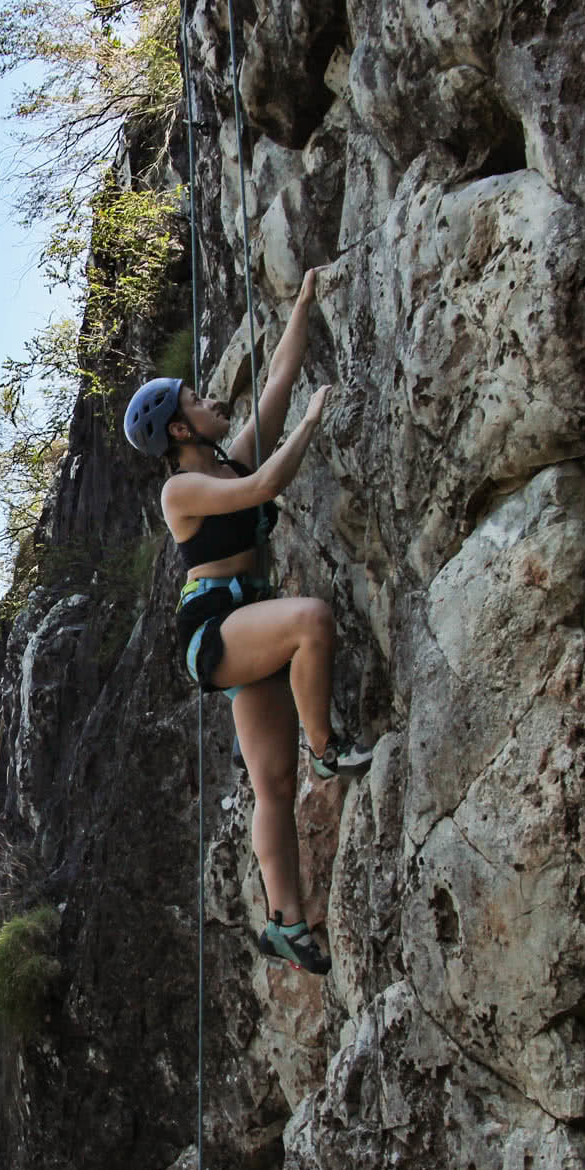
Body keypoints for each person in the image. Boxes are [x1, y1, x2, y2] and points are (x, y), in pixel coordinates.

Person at [123, 266, 371, 975]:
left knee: (274, 785)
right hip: (214, 627)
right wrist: (312, 425)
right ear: (180, 428)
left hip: (244, 620)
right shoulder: (181, 491)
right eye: (197, 401)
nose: (213, 401)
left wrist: (303, 303)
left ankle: (285, 923)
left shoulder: (226, 463)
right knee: (312, 620)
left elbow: (279, 381)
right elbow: (266, 484)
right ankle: (327, 747)